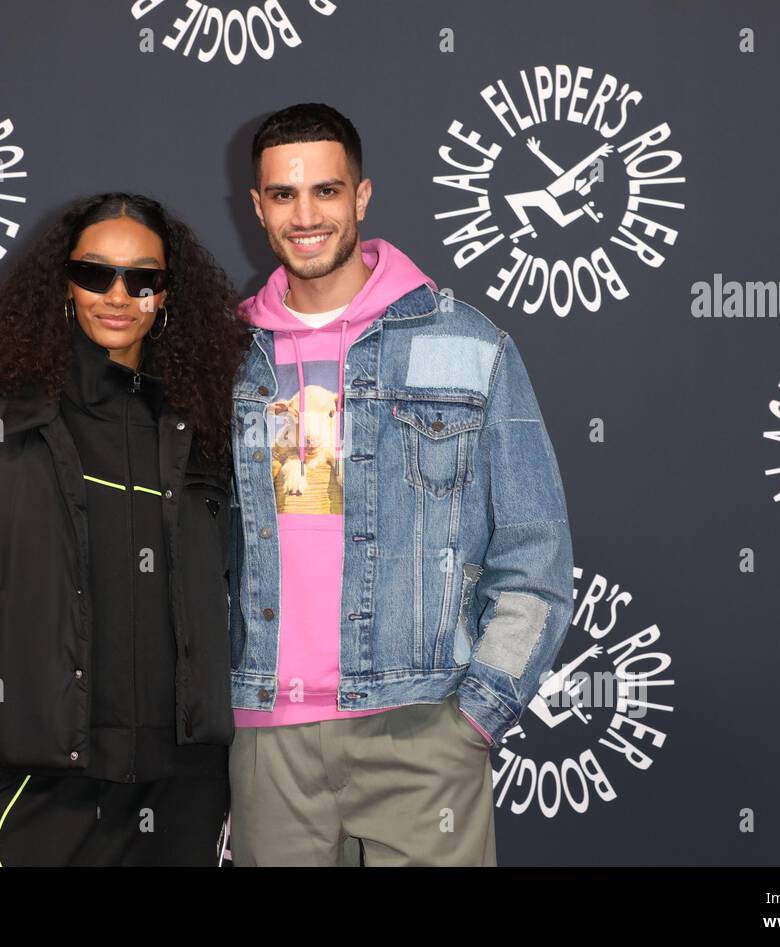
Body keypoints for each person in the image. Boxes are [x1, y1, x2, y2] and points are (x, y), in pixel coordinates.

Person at [225, 104, 575, 866]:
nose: (306, 214)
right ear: (257, 207)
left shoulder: (466, 343)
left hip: (421, 732)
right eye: (283, 195)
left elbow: (535, 552)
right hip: (268, 743)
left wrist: (477, 715)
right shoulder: (225, 357)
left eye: (326, 190)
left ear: (362, 197)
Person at [0, 192, 250, 866]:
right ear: (64, 282)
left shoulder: (207, 431)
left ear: (167, 296)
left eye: (144, 278)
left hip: (184, 795)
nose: (119, 295)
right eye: (95, 273)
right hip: (43, 799)